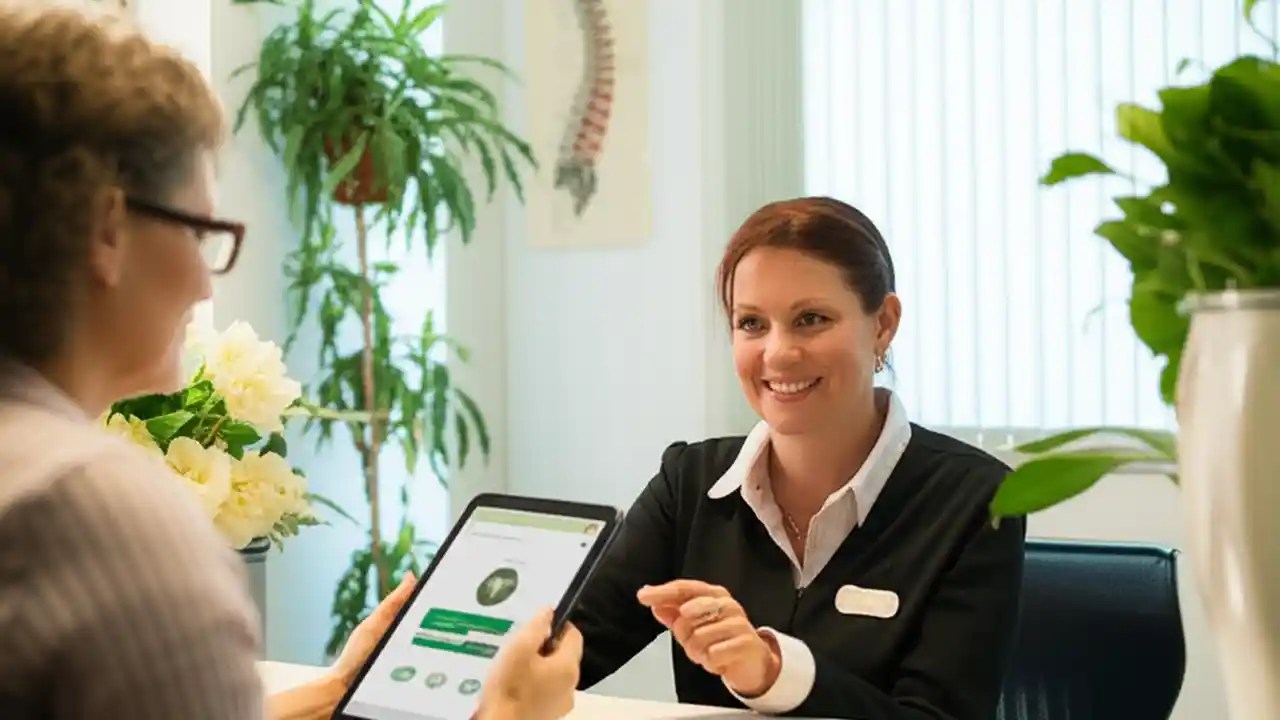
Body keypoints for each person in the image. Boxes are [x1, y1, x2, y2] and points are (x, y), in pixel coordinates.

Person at [0, 4, 579, 720]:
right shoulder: (99, 521)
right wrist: (510, 715)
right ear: (110, 230)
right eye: (203, 231)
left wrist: (334, 690)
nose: (207, 283)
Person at [571, 197, 1027, 719]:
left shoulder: (975, 499)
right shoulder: (691, 483)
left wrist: (773, 672)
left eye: (811, 319)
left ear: (883, 324)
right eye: (751, 323)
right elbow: (573, 644)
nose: (778, 353)